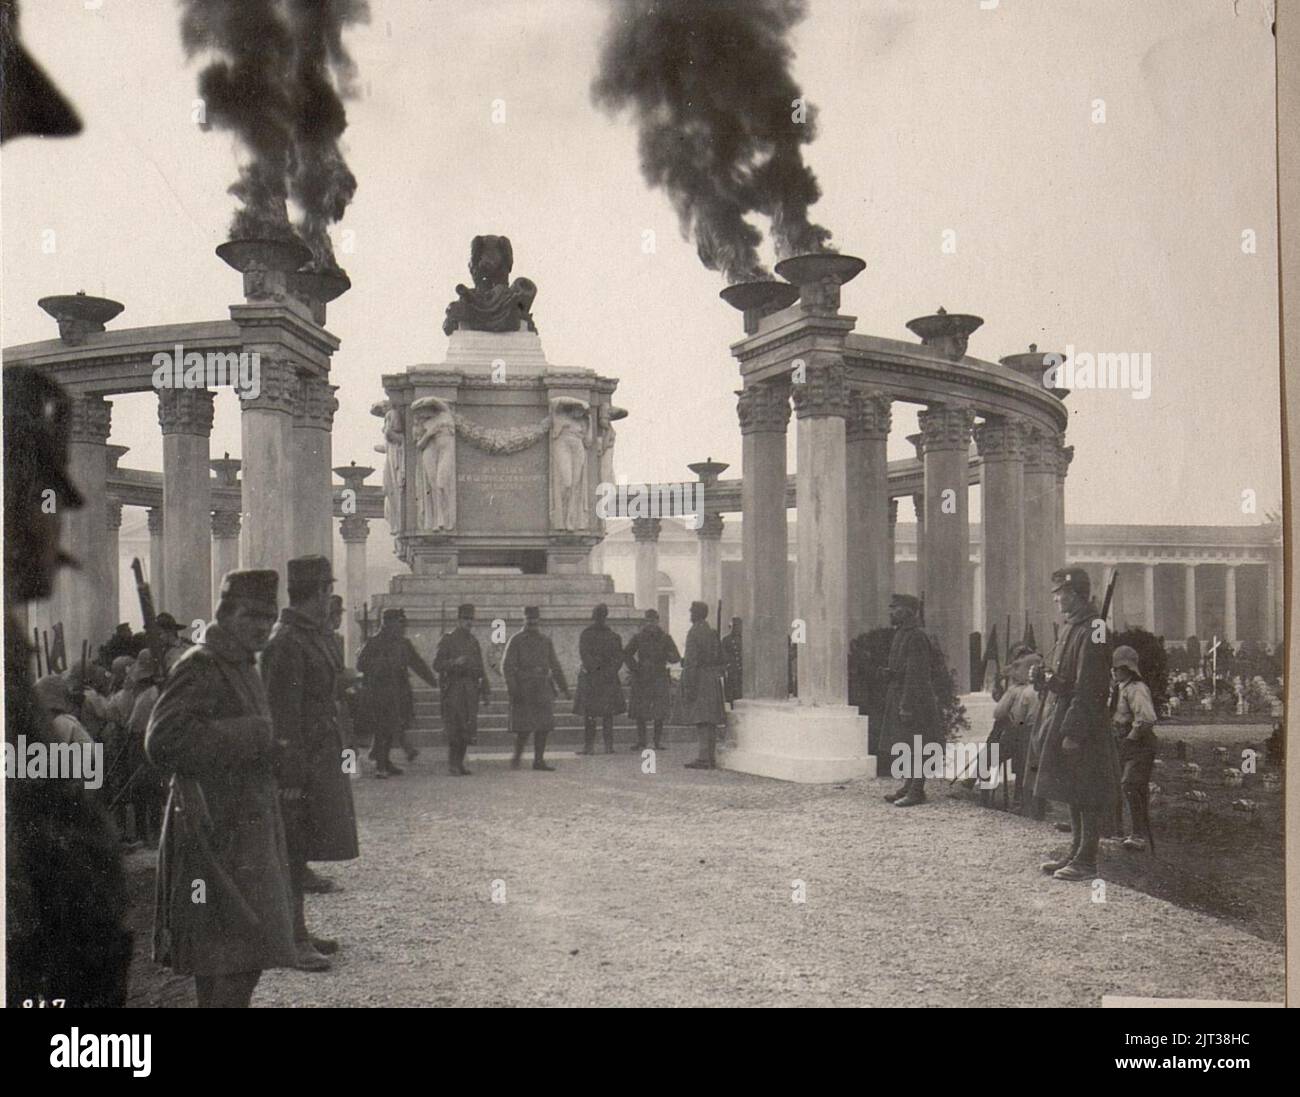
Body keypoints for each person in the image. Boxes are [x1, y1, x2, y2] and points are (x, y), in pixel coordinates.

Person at [146, 569, 297, 1008]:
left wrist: (270, 750)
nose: (261, 625)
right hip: (213, 834)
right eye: (251, 615)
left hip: (241, 834)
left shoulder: (242, 664)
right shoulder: (201, 665)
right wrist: (251, 735)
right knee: (231, 958)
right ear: (225, 614)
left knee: (236, 958)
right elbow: (163, 741)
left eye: (268, 617)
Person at [261, 556, 360, 971]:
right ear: (318, 592)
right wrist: (290, 776)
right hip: (300, 764)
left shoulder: (308, 636)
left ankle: (296, 931)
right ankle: (292, 939)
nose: (328, 601)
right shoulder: (286, 640)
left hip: (319, 756)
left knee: (301, 851)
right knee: (291, 851)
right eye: (326, 592)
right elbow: (283, 715)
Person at [1028, 568, 1124, 882]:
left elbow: (1092, 685)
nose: (1055, 598)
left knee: (1087, 789)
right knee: (1073, 786)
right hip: (1067, 713)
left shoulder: (1094, 628)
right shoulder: (1074, 627)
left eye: (1061, 593)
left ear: (1076, 594)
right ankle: (1075, 851)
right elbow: (1068, 678)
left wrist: (1074, 730)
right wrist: (1047, 680)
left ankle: (1087, 859)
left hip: (1084, 722)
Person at [357, 608, 438, 777]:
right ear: (387, 624)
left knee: (394, 726)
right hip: (379, 692)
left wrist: (432, 681)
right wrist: (380, 666)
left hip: (399, 692)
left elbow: (418, 664)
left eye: (401, 624)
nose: (401, 627)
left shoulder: (403, 643)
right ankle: (381, 766)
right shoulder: (374, 642)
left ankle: (385, 760)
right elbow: (361, 664)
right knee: (382, 728)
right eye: (398, 623)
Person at [879, 593, 941, 807]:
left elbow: (917, 674)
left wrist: (907, 705)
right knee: (907, 743)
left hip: (914, 699)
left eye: (895, 608)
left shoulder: (916, 636)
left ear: (906, 611)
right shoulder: (902, 634)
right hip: (900, 693)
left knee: (917, 744)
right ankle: (909, 785)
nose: (891, 612)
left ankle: (917, 790)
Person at [503, 606, 570, 771]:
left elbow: (555, 665)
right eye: (529, 619)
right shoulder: (516, 640)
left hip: (542, 687)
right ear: (524, 620)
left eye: (535, 619)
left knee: (543, 726)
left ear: (539, 620)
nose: (532, 622)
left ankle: (538, 760)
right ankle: (517, 758)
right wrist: (513, 689)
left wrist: (564, 688)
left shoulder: (545, 640)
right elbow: (507, 667)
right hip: (524, 687)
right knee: (523, 727)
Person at [432, 604, 491, 776]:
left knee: (468, 726)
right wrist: (454, 663)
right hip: (454, 688)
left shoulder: (473, 642)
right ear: (458, 620)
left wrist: (486, 690)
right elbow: (437, 664)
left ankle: (460, 763)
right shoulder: (448, 639)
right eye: (465, 618)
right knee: (454, 726)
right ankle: (453, 764)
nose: (468, 622)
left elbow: (480, 668)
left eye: (471, 618)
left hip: (471, 689)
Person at [1110, 644, 1158, 852]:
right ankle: (1117, 830)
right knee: (1117, 786)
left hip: (1139, 742)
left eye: (1119, 668)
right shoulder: (1118, 688)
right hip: (1123, 739)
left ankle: (1138, 835)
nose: (1114, 671)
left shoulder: (1137, 689)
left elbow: (1146, 719)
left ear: (1128, 669)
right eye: (1114, 668)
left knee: (1131, 784)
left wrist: (1130, 739)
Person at [991, 643, 1043, 812]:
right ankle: (1029, 802)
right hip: (1037, 730)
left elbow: (1000, 711)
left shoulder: (1018, 689)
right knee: (1029, 767)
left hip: (1020, 729)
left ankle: (1019, 802)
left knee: (1018, 763)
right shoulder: (1038, 688)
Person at [623, 608, 681, 751]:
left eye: (653, 621)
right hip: (642, 677)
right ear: (645, 622)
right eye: (648, 621)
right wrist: (635, 668)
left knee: (659, 711)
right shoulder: (638, 637)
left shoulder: (665, 638)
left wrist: (667, 655)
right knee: (640, 712)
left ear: (657, 621)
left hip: (659, 676)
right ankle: (642, 741)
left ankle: (657, 741)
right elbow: (626, 654)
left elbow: (676, 657)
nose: (651, 624)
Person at [573, 603, 624, 754]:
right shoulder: (613, 636)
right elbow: (618, 658)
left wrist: (595, 669)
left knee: (591, 714)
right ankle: (607, 746)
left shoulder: (587, 634)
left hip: (592, 678)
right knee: (606, 715)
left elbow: (585, 655)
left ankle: (590, 747)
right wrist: (609, 671)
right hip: (606, 678)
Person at [681, 600, 727, 770]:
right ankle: (710, 756)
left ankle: (703, 757)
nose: (690, 614)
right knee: (711, 720)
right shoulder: (712, 632)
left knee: (701, 720)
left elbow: (691, 662)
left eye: (692, 611)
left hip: (700, 679)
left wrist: (688, 685)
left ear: (697, 614)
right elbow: (721, 658)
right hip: (712, 679)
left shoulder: (694, 633)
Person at [721, 617, 743, 706]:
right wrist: (728, 665)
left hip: (741, 670)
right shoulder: (726, 640)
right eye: (734, 626)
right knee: (731, 692)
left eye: (738, 626)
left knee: (740, 693)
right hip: (732, 670)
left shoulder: (743, 639)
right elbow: (723, 654)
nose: (736, 629)